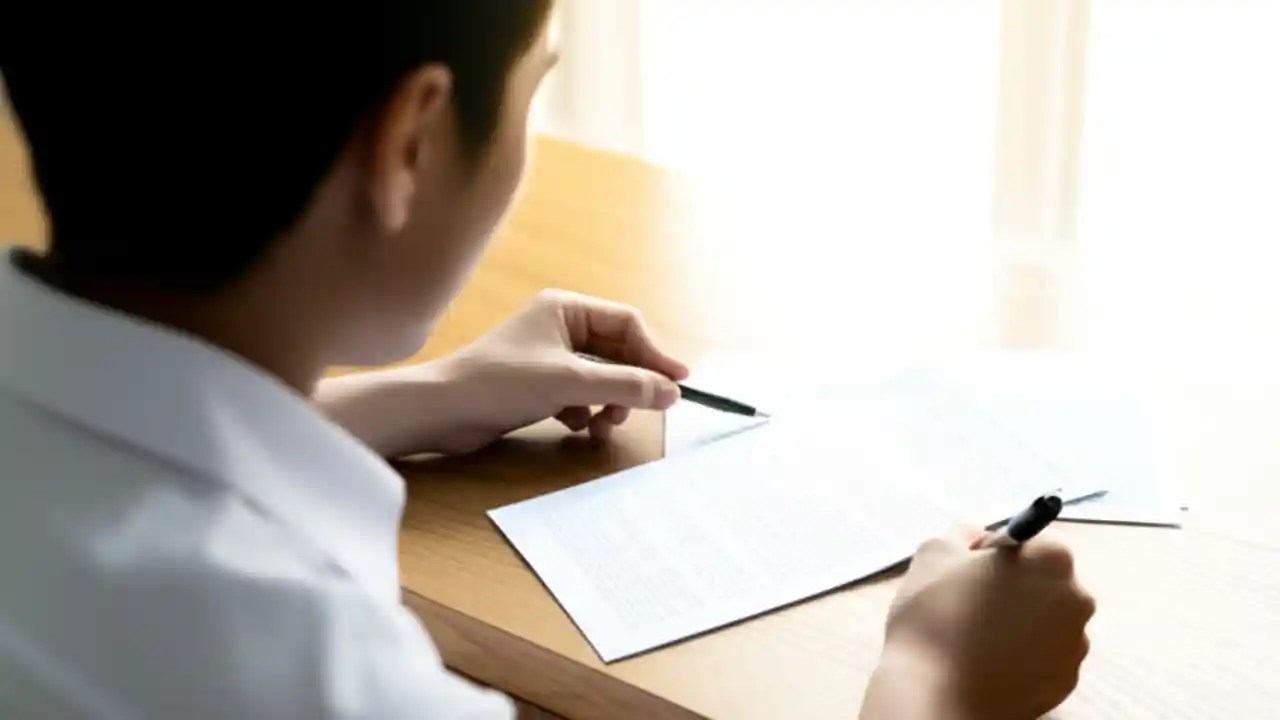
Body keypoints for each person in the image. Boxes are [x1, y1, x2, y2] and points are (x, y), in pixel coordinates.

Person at [0, 3, 1094, 718]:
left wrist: (410, 398)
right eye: (534, 92)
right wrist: (934, 684)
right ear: (410, 144)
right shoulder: (317, 681)